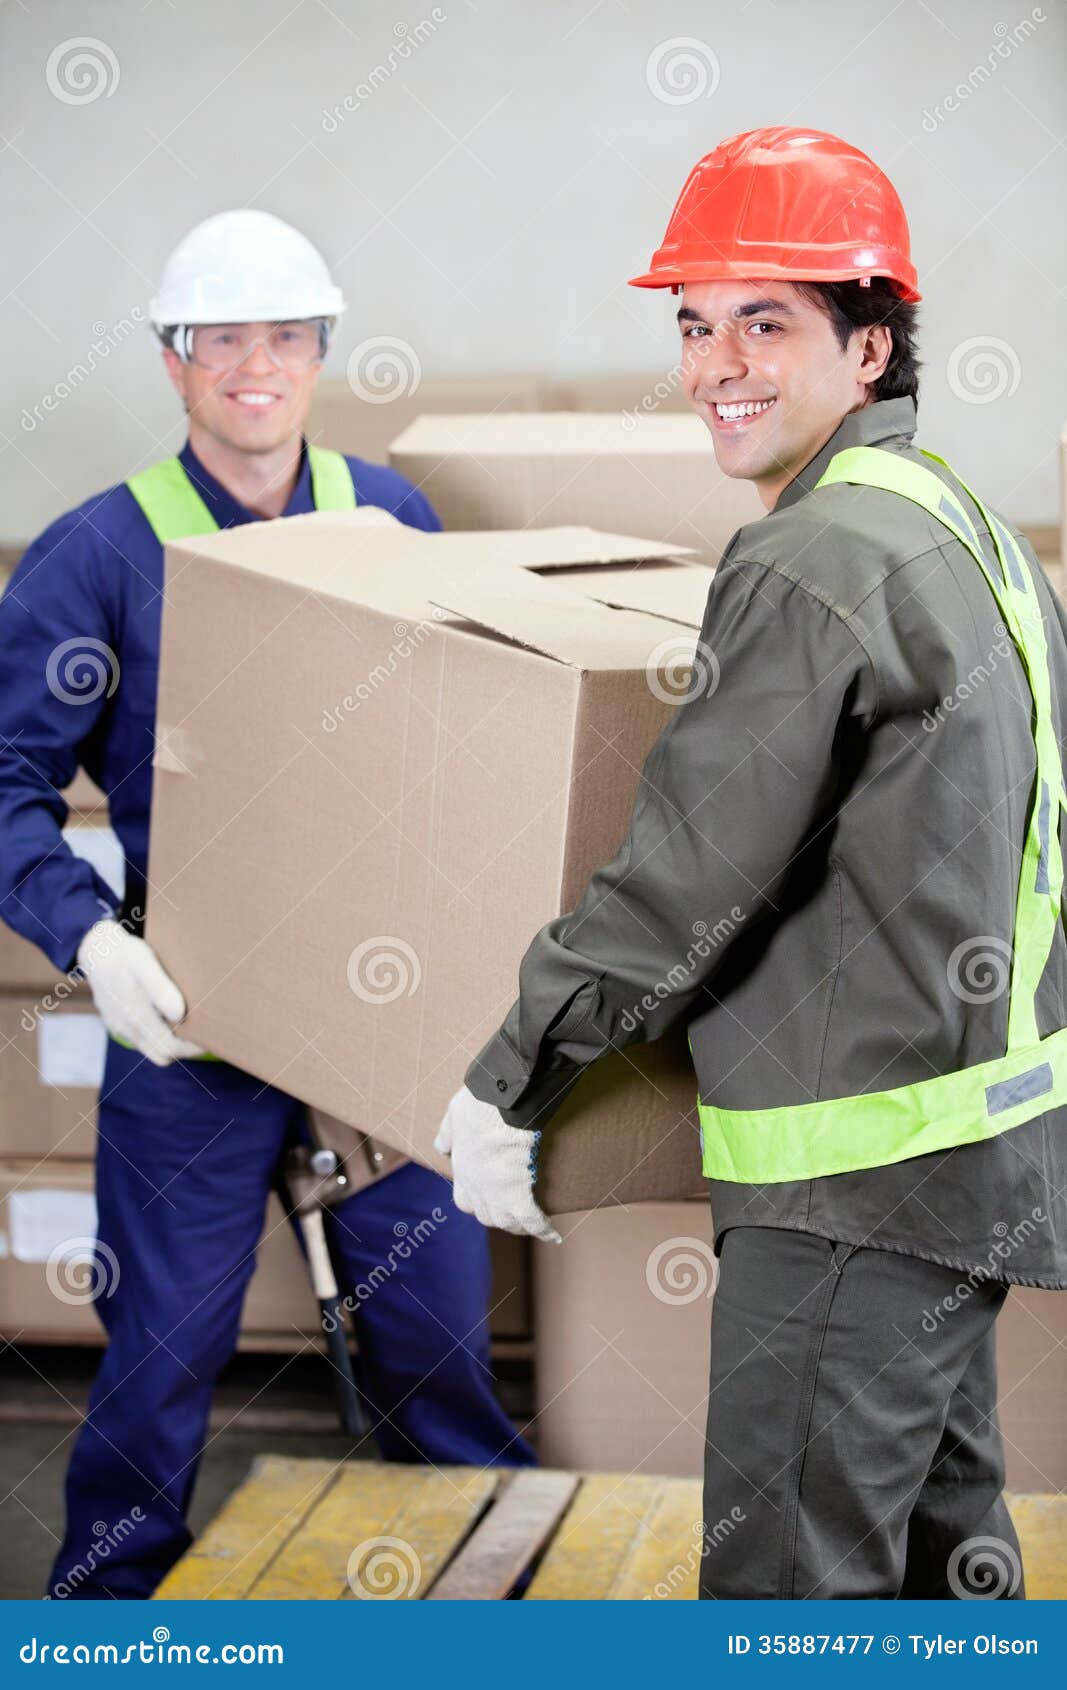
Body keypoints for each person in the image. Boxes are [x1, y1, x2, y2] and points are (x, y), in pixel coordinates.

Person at [435, 126, 1067, 1600]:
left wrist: (507, 1076)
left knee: (788, 1595)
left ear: (871, 345)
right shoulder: (967, 527)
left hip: (851, 1183)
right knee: (935, 1571)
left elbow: (682, 882)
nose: (717, 362)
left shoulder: (812, 556)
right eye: (694, 323)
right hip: (963, 1165)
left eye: (765, 322)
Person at [0, 208, 532, 1601]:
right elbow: (3, 782)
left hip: (379, 1001)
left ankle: (492, 1598)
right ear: (174, 362)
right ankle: (107, 1614)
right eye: (221, 338)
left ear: (319, 353)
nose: (255, 364)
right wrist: (91, 938)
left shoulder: (387, 518)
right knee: (164, 1347)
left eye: (283, 336)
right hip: (191, 1008)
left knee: (432, 1332)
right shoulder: (97, 553)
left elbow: (458, 757)